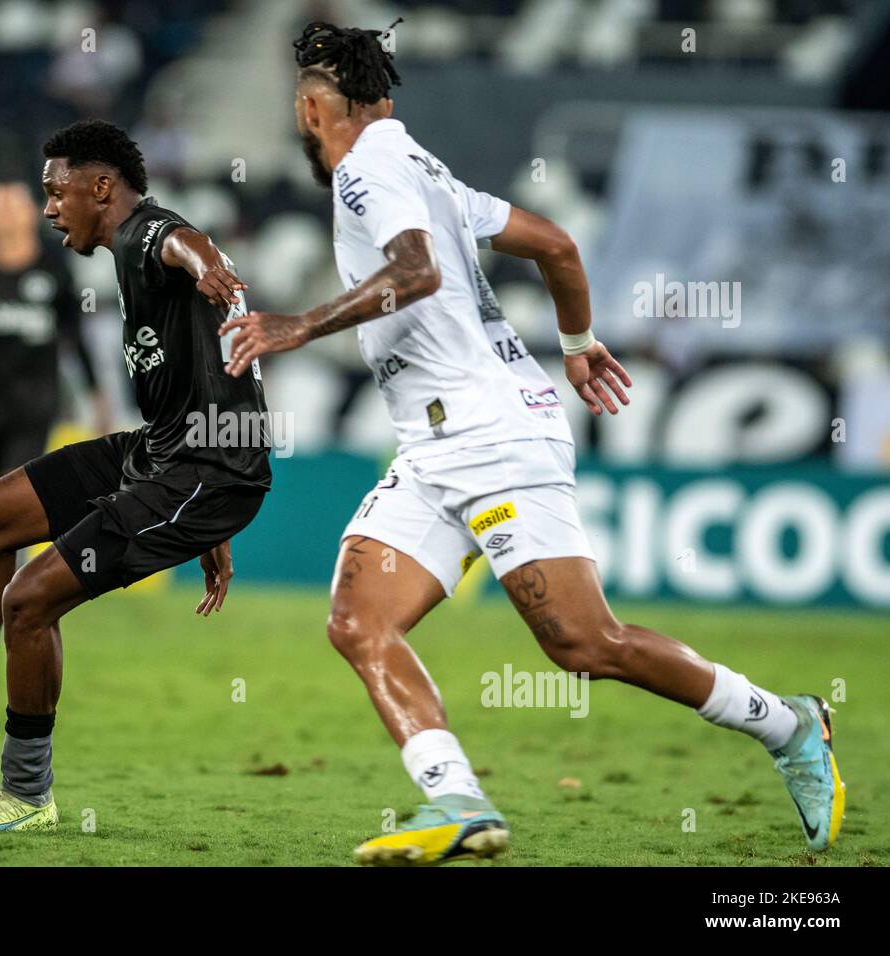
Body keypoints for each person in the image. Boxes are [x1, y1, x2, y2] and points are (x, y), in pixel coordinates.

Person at [218, 20, 845, 865]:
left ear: (308, 108)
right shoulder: (423, 166)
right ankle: (458, 801)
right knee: (359, 621)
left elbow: (418, 272)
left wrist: (301, 322)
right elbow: (555, 244)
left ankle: (789, 723)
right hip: (436, 446)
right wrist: (579, 344)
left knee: (584, 644)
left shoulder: (368, 167)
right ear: (384, 98)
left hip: (493, 434)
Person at [0, 120, 272, 832]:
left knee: (29, 601)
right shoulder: (126, 247)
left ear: (102, 188)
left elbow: (182, 242)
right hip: (169, 452)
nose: (49, 207)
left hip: (207, 469)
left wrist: (203, 259)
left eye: (57, 193)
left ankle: (27, 795)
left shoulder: (148, 232)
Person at [0, 182, 108, 485]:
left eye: (11, 206)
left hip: (37, 401)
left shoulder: (54, 269)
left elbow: (75, 334)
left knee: (13, 481)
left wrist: (94, 392)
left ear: (30, 213)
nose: (3, 214)